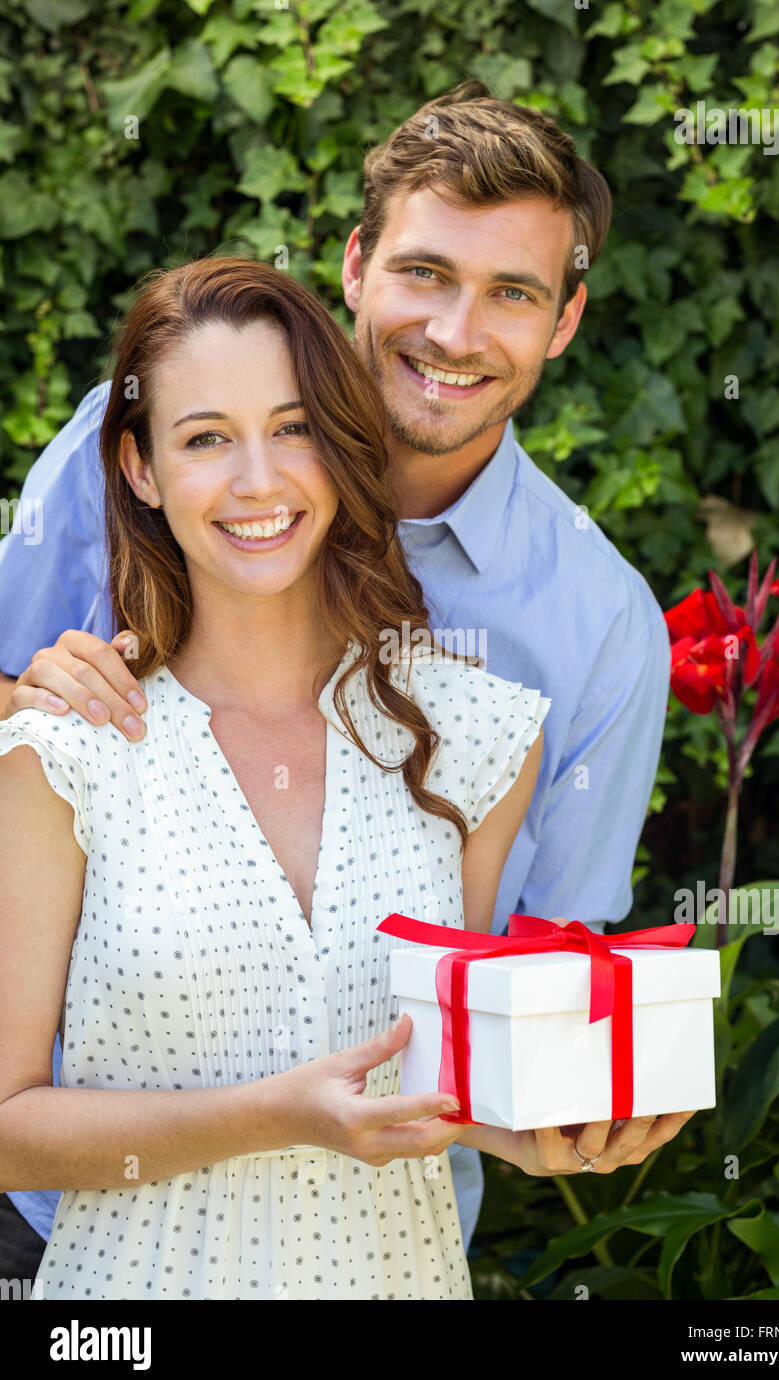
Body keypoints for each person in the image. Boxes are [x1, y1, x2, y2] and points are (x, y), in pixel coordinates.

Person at [0, 82, 682, 1283]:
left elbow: (536, 971)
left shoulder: (590, 633)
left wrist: (590, 1112)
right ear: (357, 264)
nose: (457, 332)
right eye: (426, 272)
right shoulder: (135, 448)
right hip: (92, 1225)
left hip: (391, 1238)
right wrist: (20, 701)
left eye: (512, 292)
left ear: (565, 320)